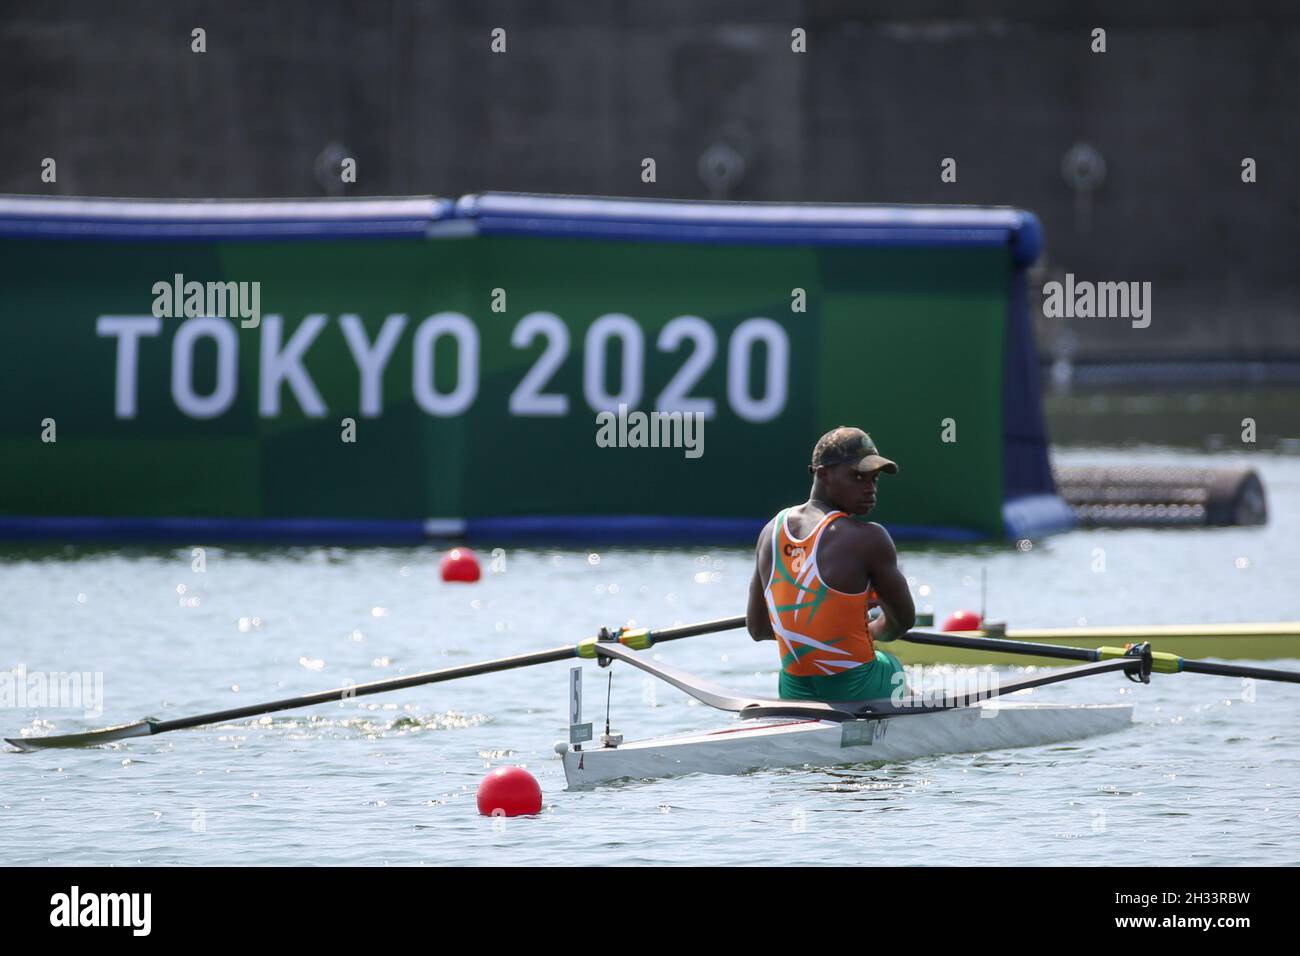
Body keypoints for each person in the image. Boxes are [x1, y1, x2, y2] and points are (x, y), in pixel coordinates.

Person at [746, 426, 916, 701]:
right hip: (856, 688)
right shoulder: (869, 538)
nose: (870, 489)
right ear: (823, 474)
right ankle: (915, 713)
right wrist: (870, 630)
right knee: (890, 663)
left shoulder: (769, 532)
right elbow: (902, 621)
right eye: (858, 477)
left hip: (793, 691)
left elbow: (758, 629)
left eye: (874, 480)